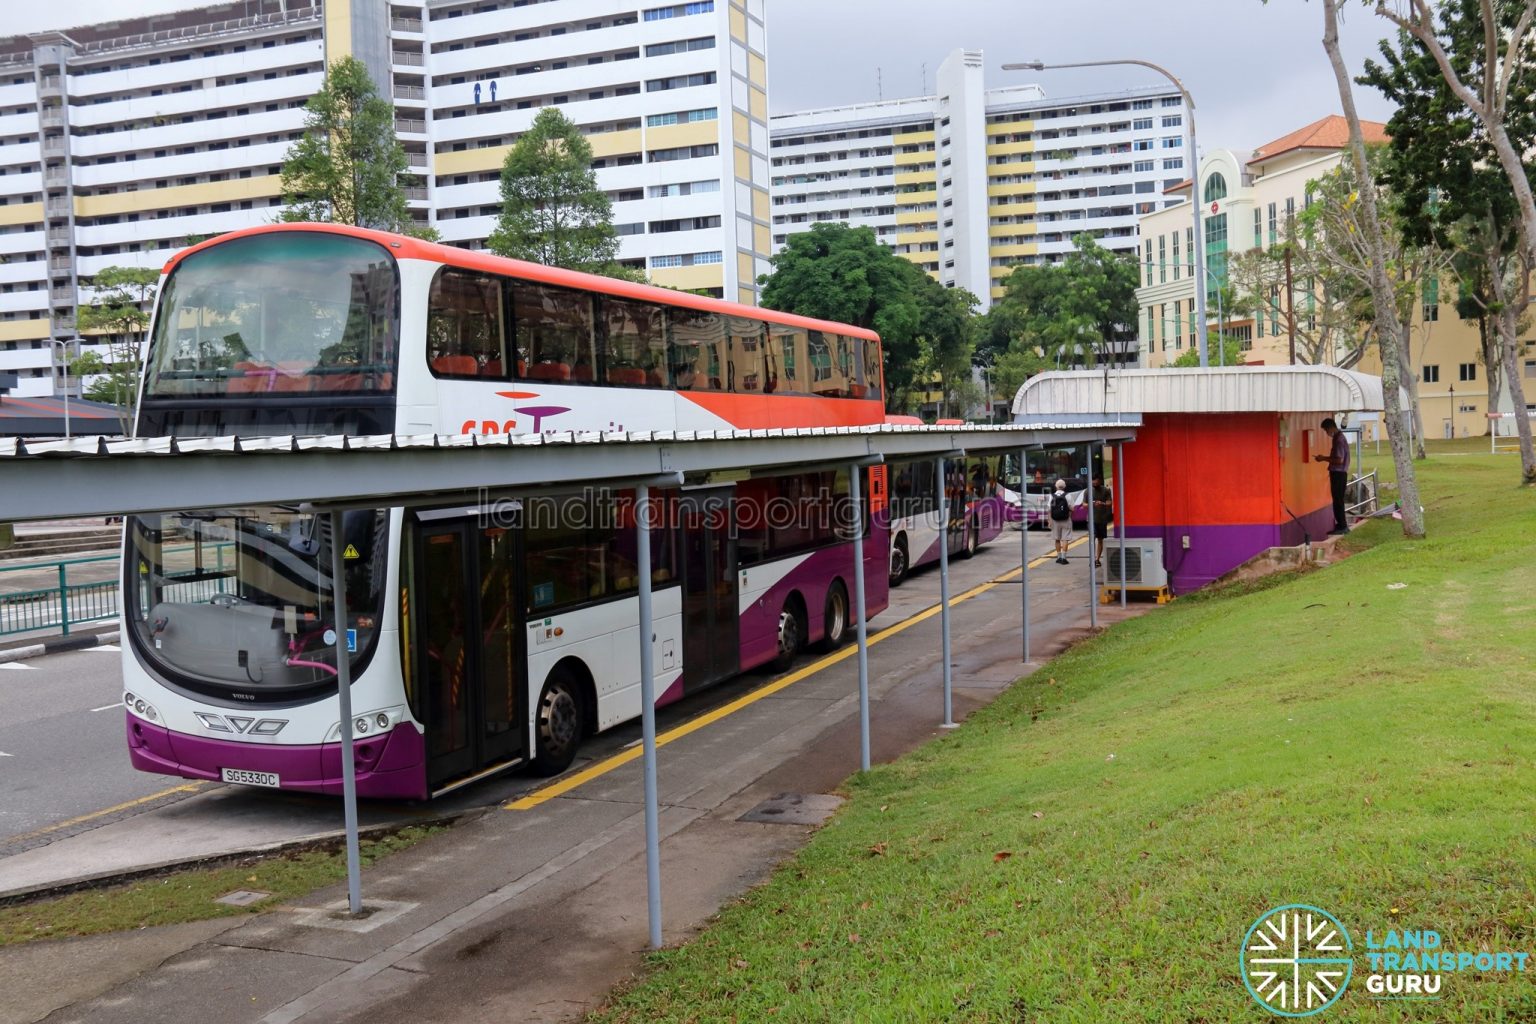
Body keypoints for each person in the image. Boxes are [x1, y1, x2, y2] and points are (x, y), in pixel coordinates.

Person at [1313, 417, 1350, 535]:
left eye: (1326, 430)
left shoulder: (1339, 440)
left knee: (1338, 500)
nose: (1326, 433)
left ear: (1330, 427)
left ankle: (1342, 526)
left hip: (1339, 473)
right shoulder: (1338, 438)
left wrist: (1323, 458)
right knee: (1337, 499)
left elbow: (1339, 460)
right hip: (1339, 473)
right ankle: (1340, 524)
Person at [1090, 473, 1113, 567]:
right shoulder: (1088, 491)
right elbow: (1084, 504)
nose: (1094, 484)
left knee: (1100, 539)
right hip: (1091, 520)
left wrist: (1102, 503)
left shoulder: (1106, 490)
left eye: (1096, 482)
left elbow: (1110, 503)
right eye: (1093, 483)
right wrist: (1092, 503)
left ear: (1099, 481)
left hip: (1102, 519)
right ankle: (1092, 559)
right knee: (1092, 539)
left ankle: (1097, 559)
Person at [1049, 479, 1073, 564]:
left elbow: (1049, 510)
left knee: (1057, 539)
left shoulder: (1052, 496)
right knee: (1065, 539)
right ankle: (1064, 558)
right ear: (1064, 486)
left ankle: (1058, 557)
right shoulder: (1068, 495)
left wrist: (1049, 521)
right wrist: (1068, 515)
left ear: (1056, 486)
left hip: (1055, 520)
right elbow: (1072, 508)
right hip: (1066, 519)